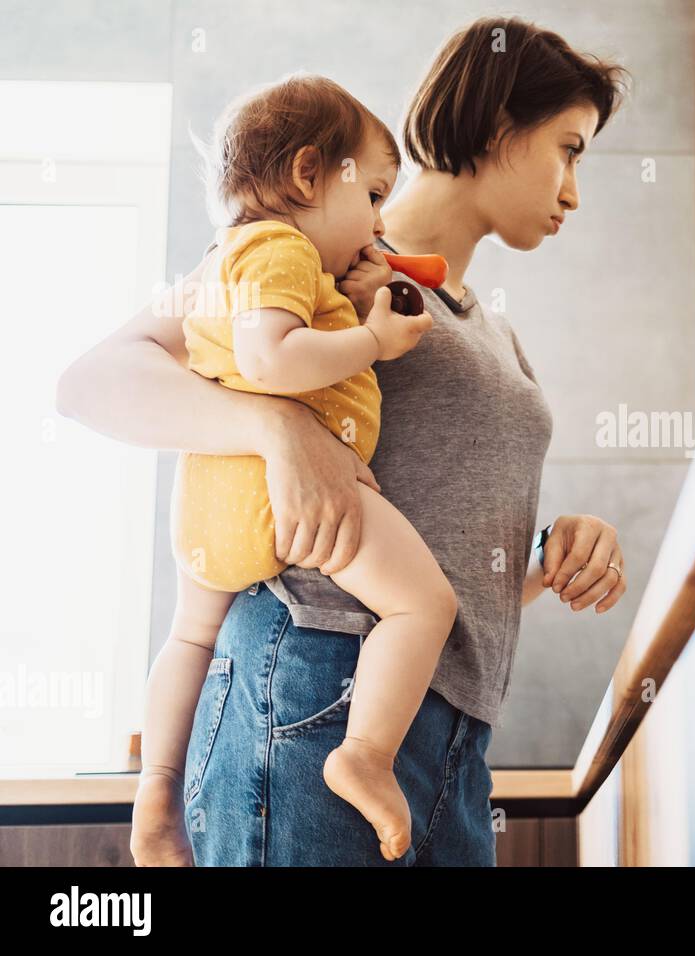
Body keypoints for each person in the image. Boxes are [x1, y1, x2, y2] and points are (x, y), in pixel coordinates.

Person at [55, 15, 631, 866]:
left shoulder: (493, 335)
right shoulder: (316, 250)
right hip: (316, 687)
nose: (574, 191)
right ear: (502, 124)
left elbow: (445, 538)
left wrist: (552, 554)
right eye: (570, 148)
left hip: (453, 744)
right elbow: (90, 382)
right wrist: (273, 424)